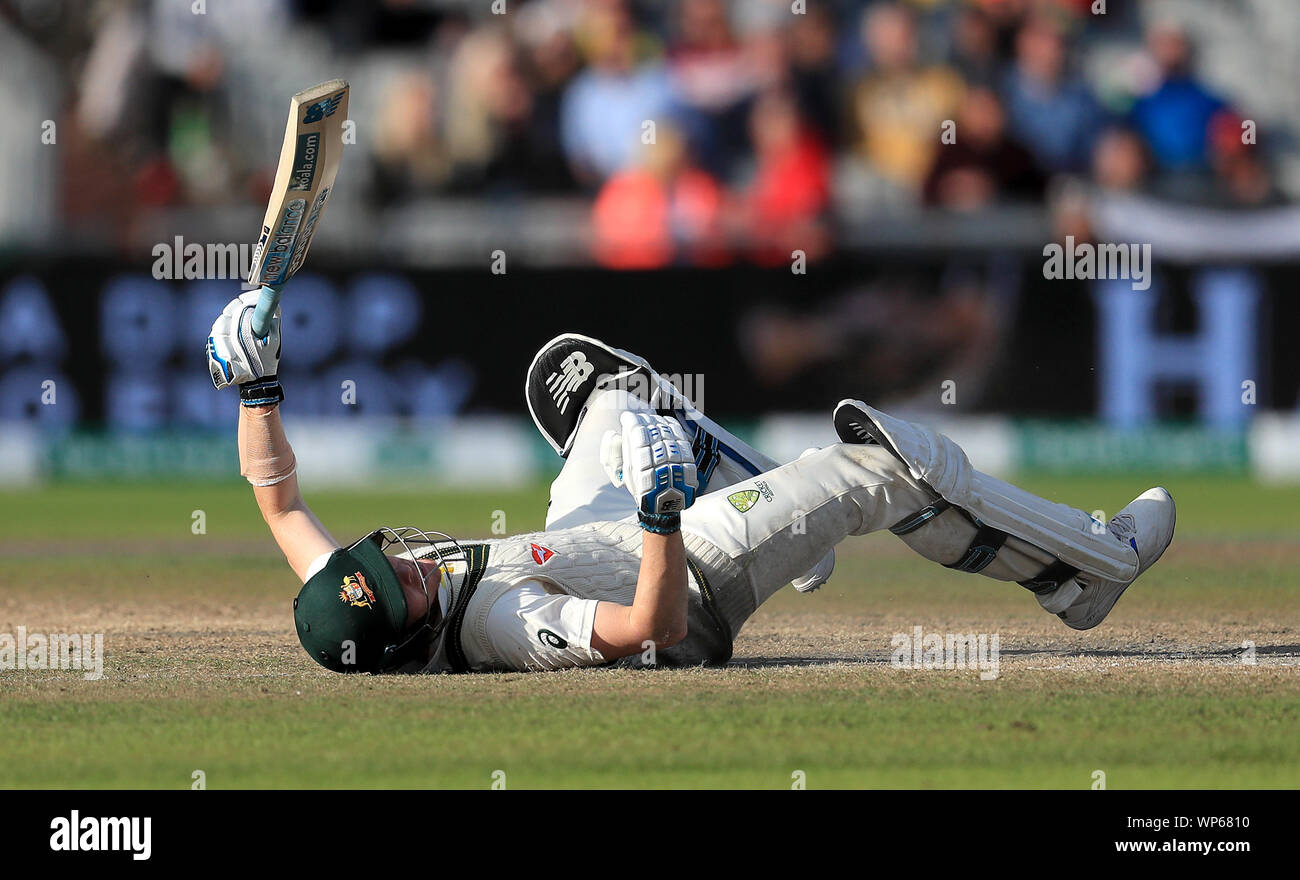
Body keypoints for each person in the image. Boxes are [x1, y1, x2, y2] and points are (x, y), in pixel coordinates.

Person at [207, 296, 1175, 674]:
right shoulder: (501, 625)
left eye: (387, 562)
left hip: (586, 534)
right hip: (683, 573)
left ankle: (747, 484)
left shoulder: (355, 589)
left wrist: (256, 387)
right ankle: (1088, 570)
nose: (410, 568)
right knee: (881, 462)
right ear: (408, 639)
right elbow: (649, 629)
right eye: (406, 591)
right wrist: (663, 513)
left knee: (603, 387)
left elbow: (278, 502)